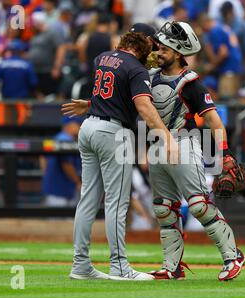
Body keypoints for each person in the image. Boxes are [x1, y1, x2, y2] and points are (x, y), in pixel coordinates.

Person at [61, 31, 178, 281]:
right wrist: (167, 137)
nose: (151, 55)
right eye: (149, 49)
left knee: (88, 200)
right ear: (139, 48)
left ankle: (80, 264)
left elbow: (110, 92)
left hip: (89, 127)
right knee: (117, 202)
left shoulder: (102, 58)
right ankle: (119, 266)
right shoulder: (136, 68)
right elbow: (144, 107)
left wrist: (90, 104)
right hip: (113, 133)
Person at [147, 21, 245, 281]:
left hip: (183, 143)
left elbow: (214, 120)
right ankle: (172, 267)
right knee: (163, 208)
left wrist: (224, 155)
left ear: (179, 52)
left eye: (165, 48)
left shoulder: (191, 83)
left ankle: (232, 256)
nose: (158, 51)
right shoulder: (150, 75)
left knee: (199, 205)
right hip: (157, 144)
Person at [41, 116, 83, 207]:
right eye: (78, 124)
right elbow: (66, 164)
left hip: (55, 189)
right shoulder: (65, 140)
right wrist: (77, 182)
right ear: (69, 125)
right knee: (61, 219)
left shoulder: (57, 137)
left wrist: (46, 173)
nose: (80, 127)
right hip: (60, 192)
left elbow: (42, 156)